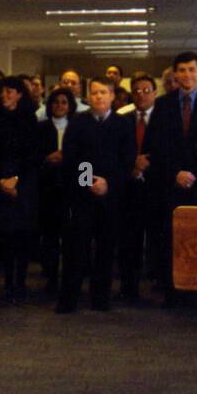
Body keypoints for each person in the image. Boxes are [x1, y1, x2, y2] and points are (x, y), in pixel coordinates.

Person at [151, 51, 197, 306]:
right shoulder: (162, 104)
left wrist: (195, 174)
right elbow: (157, 146)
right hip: (172, 183)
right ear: (175, 74)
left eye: (192, 70)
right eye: (182, 70)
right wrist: (176, 173)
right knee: (173, 239)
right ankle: (175, 292)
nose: (187, 75)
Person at [56, 77, 135, 313]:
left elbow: (127, 159)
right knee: (75, 248)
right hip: (82, 195)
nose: (98, 97)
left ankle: (100, 298)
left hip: (111, 196)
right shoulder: (78, 123)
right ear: (88, 97)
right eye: (94, 93)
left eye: (103, 93)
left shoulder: (123, 124)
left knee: (106, 248)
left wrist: (108, 183)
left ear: (112, 96)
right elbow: (71, 156)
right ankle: (68, 299)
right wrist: (89, 180)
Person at [0, 75, 40, 303]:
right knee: (4, 238)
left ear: (19, 94)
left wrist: (17, 180)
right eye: (2, 91)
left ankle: (20, 283)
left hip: (23, 185)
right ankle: (7, 284)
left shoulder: (29, 119)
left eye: (10, 91)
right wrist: (0, 180)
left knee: (22, 237)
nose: (4, 95)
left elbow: (33, 156)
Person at [120, 74, 158, 298]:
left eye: (146, 90)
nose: (141, 95)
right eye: (136, 91)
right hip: (129, 185)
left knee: (156, 237)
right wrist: (132, 164)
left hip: (155, 185)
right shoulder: (122, 119)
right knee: (129, 239)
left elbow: (170, 149)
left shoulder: (165, 118)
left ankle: (159, 283)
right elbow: (115, 151)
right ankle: (128, 287)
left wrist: (147, 163)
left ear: (155, 93)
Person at [35, 85, 75, 296]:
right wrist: (46, 159)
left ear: (70, 106)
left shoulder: (78, 126)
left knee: (70, 236)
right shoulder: (40, 127)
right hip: (48, 189)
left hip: (72, 189)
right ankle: (50, 276)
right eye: (56, 102)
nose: (59, 106)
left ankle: (70, 276)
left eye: (64, 102)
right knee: (49, 235)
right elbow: (32, 158)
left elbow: (86, 159)